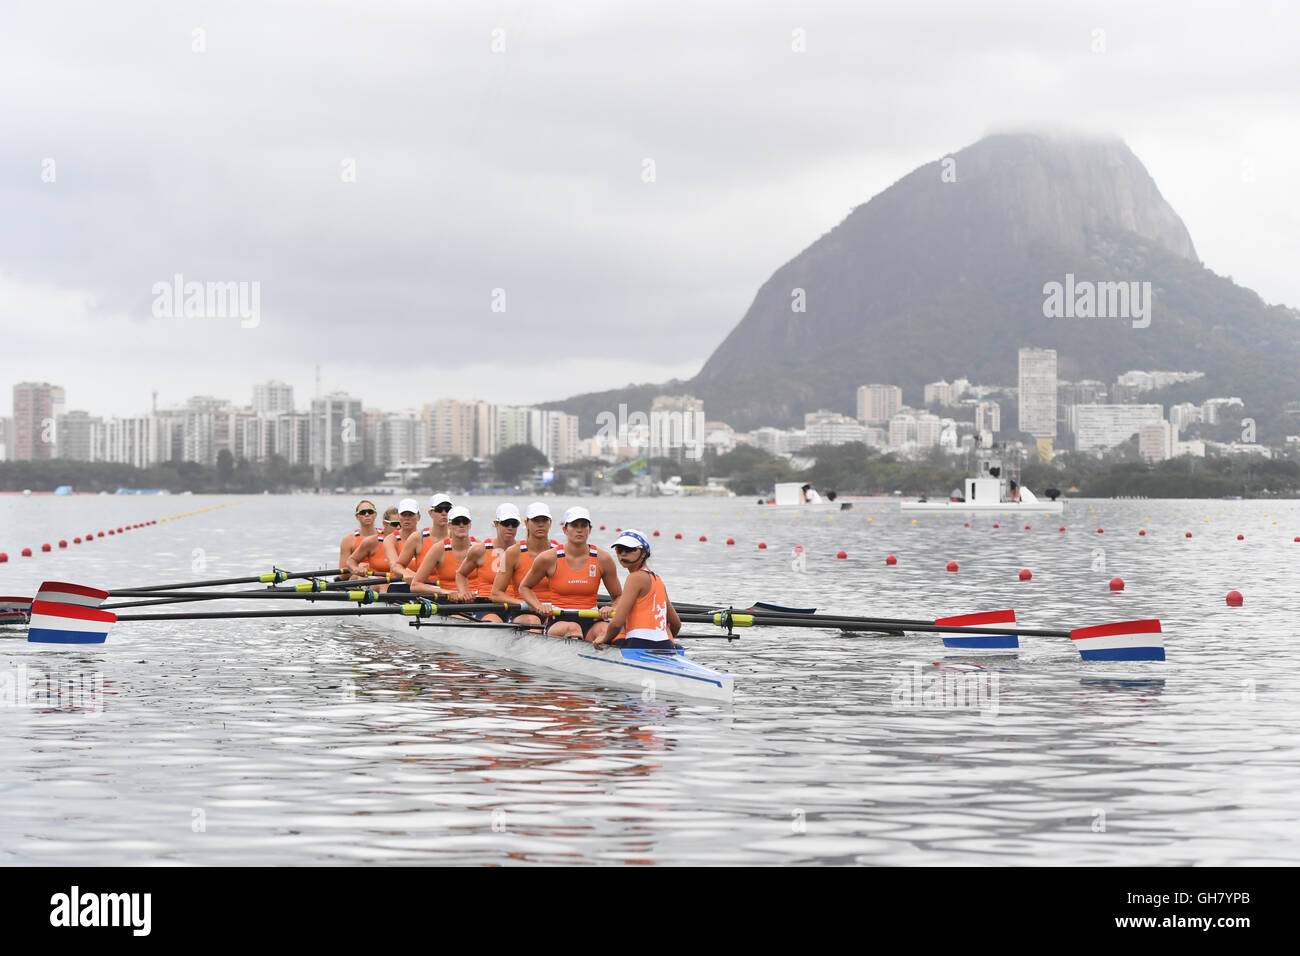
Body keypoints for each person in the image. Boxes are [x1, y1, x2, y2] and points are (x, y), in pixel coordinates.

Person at [518, 506, 621, 642]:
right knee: (573, 628)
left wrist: (612, 607)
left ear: (589, 530)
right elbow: (524, 587)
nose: (579, 530)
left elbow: (619, 596)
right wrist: (538, 606)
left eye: (584, 526)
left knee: (607, 630)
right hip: (558, 621)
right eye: (574, 525)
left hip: (591, 621)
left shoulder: (603, 559)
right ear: (565, 529)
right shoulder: (548, 558)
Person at [595, 529, 681, 647]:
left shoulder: (634, 578)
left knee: (615, 630)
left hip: (638, 644)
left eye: (630, 549)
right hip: (665, 644)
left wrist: (603, 640)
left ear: (644, 553)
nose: (623, 554)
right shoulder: (658, 580)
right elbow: (676, 624)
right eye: (619, 550)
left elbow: (616, 623)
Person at [492, 502, 556, 628]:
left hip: (554, 612)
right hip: (523, 612)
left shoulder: (559, 552)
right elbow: (496, 593)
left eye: (544, 520)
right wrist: (524, 603)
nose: (540, 524)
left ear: (550, 523)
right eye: (535, 520)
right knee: (533, 622)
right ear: (526, 523)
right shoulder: (512, 553)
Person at [455, 503, 522, 622]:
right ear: (496, 524)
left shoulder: (522, 551)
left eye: (514, 523)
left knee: (532, 623)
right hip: (487, 606)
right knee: (497, 623)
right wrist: (464, 592)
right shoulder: (480, 549)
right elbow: (461, 574)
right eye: (506, 523)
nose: (510, 527)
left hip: (516, 606)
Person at [411, 504, 475, 599]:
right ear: (449, 525)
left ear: (469, 524)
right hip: (449, 602)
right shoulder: (439, 549)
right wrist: (443, 592)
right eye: (456, 522)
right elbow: (415, 585)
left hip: (477, 601)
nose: (461, 525)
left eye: (465, 521)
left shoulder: (479, 548)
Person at [396, 492, 453, 581]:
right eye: (439, 509)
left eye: (448, 509)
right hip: (426, 590)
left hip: (451, 591)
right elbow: (398, 566)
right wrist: (405, 573)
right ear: (430, 513)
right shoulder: (417, 538)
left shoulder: (457, 537)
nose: (444, 513)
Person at [346, 506, 401, 586]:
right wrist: (357, 569)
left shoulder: (409, 541)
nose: (399, 527)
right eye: (395, 524)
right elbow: (351, 561)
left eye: (401, 524)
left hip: (397, 583)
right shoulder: (372, 541)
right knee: (383, 586)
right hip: (374, 582)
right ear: (385, 524)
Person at [339, 500, 378, 578]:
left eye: (370, 512)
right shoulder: (348, 540)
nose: (367, 514)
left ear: (375, 514)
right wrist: (356, 567)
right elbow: (343, 575)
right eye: (363, 512)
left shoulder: (386, 537)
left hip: (381, 579)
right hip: (358, 580)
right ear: (357, 516)